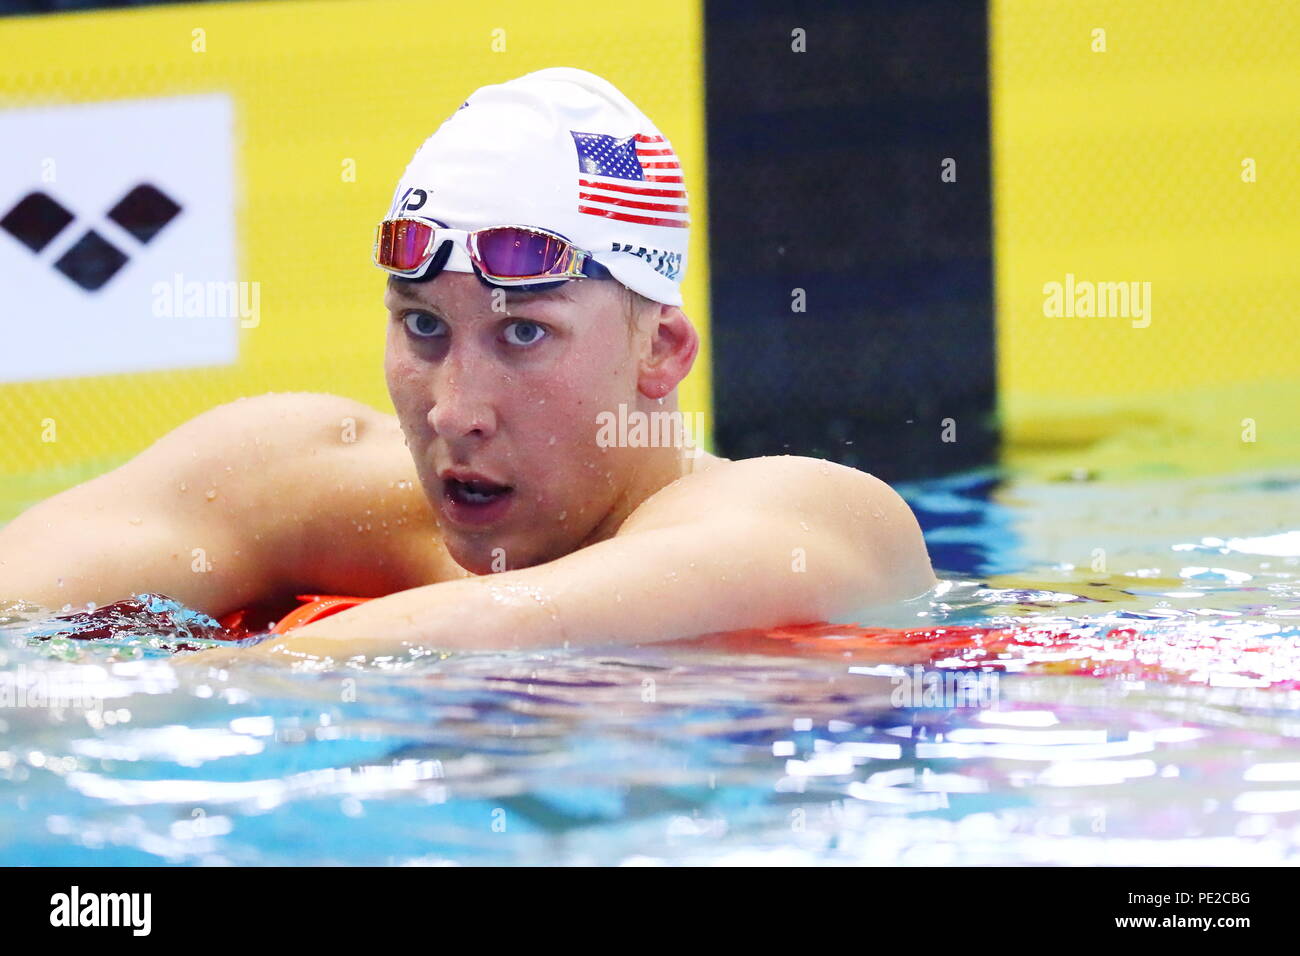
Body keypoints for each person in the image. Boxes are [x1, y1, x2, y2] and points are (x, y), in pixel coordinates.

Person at [0, 67, 935, 662]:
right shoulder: (283, 475)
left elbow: (506, 630)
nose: (454, 411)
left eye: (523, 333)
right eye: (423, 327)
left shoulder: (815, 518)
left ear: (662, 351)